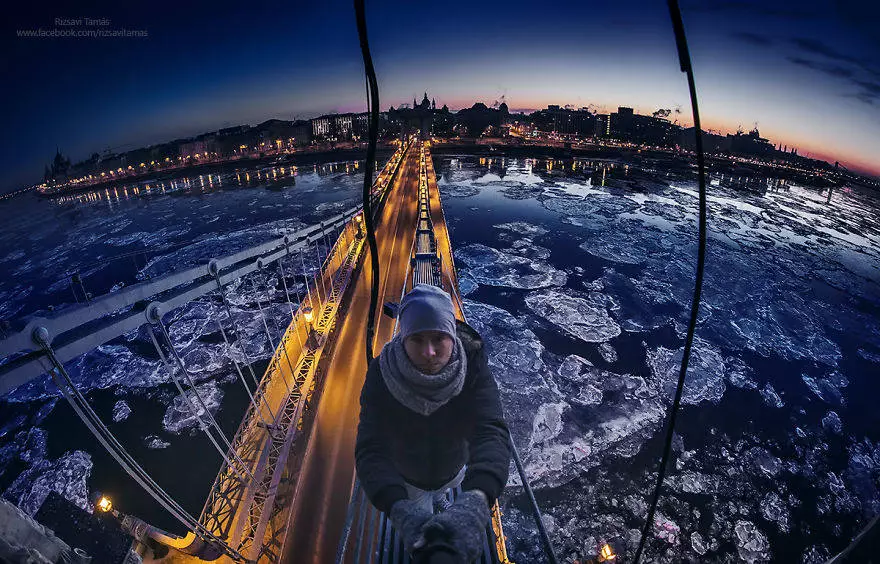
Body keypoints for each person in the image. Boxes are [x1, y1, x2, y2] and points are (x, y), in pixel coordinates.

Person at [355, 284, 511, 563]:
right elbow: (371, 446)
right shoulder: (380, 376)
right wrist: (397, 505)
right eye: (417, 340)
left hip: (451, 470)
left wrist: (478, 496)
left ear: (452, 336)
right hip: (409, 480)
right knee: (422, 533)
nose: (429, 352)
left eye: (439, 338)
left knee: (444, 489)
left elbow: (490, 430)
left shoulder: (473, 369)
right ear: (403, 339)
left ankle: (439, 499)